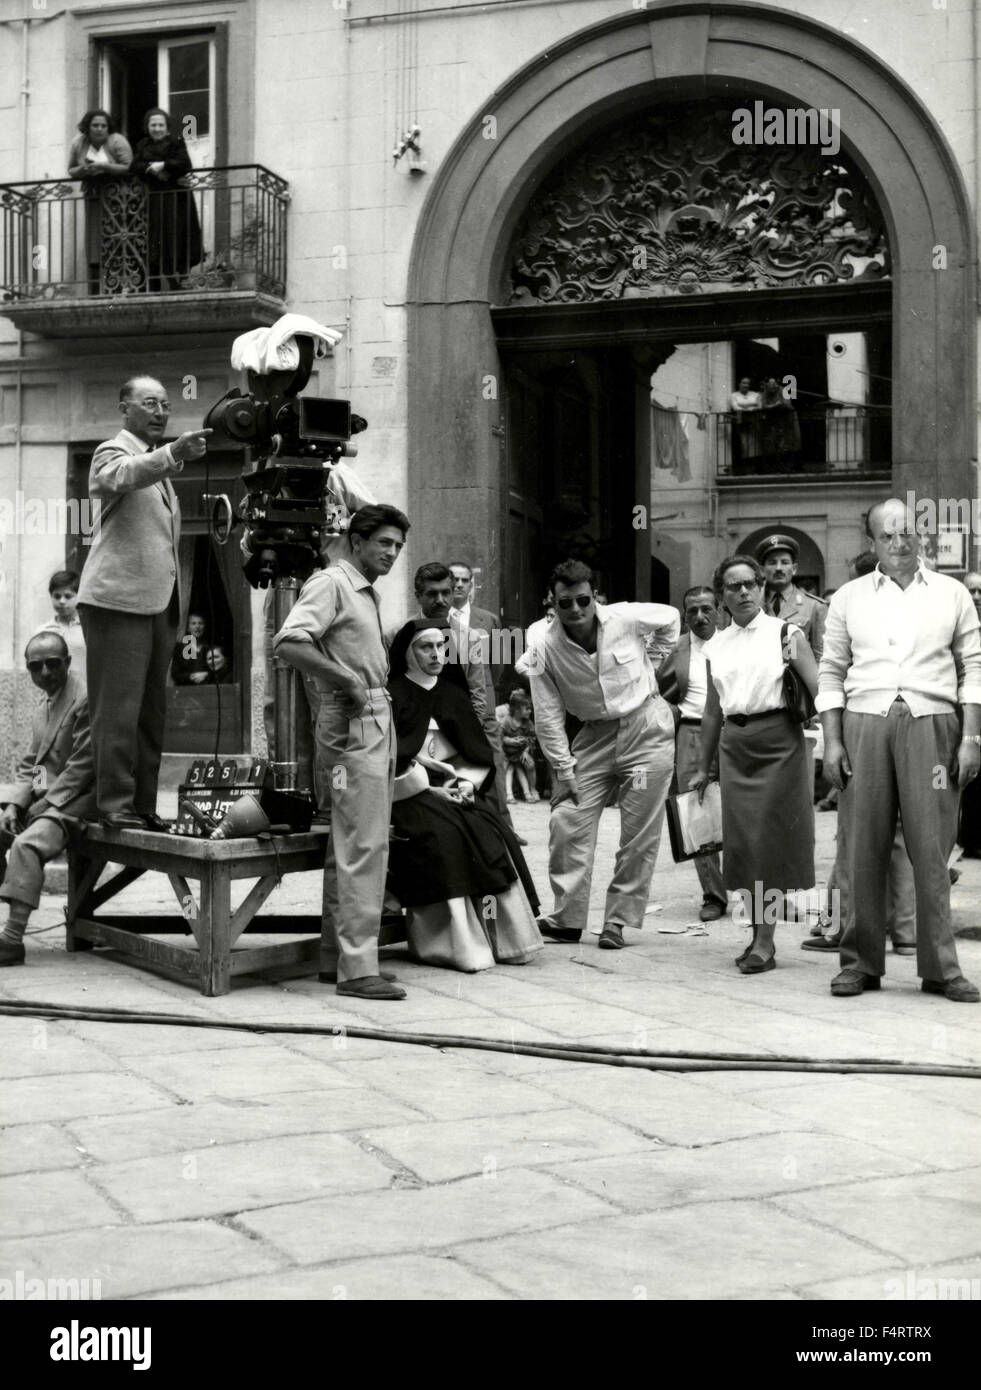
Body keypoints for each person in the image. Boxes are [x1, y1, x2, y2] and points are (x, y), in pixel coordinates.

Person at [818, 498, 981, 1003]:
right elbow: (831, 670)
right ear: (871, 542)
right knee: (861, 848)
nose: (899, 542)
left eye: (907, 531)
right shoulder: (849, 598)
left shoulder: (952, 593)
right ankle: (860, 964)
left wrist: (971, 739)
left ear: (921, 534)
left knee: (931, 849)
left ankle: (940, 968)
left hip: (933, 725)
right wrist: (832, 741)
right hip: (864, 723)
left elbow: (973, 667)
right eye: (887, 535)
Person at [274, 503, 410, 1001]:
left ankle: (339, 959)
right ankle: (357, 970)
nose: (392, 553)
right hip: (352, 717)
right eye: (384, 543)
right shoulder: (332, 583)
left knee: (350, 843)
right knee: (362, 844)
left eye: (398, 546)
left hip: (371, 714)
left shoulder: (364, 590)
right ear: (356, 541)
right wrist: (347, 680)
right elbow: (289, 642)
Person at [76, 376, 211, 830]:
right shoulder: (111, 452)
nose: (160, 412)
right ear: (124, 409)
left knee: (151, 712)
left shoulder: (157, 468)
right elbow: (119, 476)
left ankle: (144, 806)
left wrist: (168, 458)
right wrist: (173, 453)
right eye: (149, 403)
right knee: (117, 710)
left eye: (166, 405)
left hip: (156, 605)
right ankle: (115, 804)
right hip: (116, 602)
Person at [529, 559, 678, 949]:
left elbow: (671, 618)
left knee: (638, 831)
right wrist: (563, 769)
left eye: (583, 600)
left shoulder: (625, 618)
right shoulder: (541, 643)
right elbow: (547, 713)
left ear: (594, 596)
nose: (576, 610)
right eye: (565, 603)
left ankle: (618, 920)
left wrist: (653, 662)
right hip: (594, 737)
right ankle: (567, 918)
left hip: (645, 731)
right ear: (552, 602)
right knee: (568, 820)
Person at [386, 620, 542, 972]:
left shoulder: (453, 694)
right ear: (408, 652)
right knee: (443, 834)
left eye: (442, 646)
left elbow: (475, 753)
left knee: (489, 828)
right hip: (407, 792)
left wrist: (468, 784)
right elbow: (387, 760)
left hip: (455, 787)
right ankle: (457, 945)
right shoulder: (392, 694)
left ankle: (504, 939)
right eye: (426, 647)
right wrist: (427, 787)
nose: (436, 654)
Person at [691, 554, 818, 974]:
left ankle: (765, 941)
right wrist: (702, 766)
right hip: (735, 746)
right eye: (734, 586)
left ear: (762, 588)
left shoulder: (786, 633)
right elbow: (712, 711)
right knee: (743, 844)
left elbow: (819, 688)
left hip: (778, 743)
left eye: (750, 584)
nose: (743, 592)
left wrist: (836, 741)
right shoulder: (715, 645)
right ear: (722, 595)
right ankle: (758, 935)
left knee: (769, 842)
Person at [0, 633, 96, 965]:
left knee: (27, 844)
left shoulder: (84, 698)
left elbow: (84, 765)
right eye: (35, 666)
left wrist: (48, 803)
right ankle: (11, 906)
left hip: (81, 801)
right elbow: (36, 765)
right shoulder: (44, 706)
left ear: (67, 662)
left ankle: (12, 940)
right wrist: (17, 804)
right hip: (53, 799)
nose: (45, 673)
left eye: (53, 664)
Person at [657, 585, 727, 922]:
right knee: (697, 814)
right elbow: (659, 690)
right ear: (684, 615)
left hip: (734, 732)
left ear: (719, 610)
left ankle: (753, 891)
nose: (699, 617)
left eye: (706, 609)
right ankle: (714, 895)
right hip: (692, 733)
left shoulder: (734, 642)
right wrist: (671, 714)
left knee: (743, 810)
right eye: (692, 611)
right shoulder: (677, 649)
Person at [130, 108, 202, 291]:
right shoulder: (142, 145)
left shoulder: (176, 142)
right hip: (155, 200)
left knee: (179, 238)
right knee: (158, 242)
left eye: (160, 125)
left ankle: (182, 279)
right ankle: (166, 283)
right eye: (153, 125)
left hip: (178, 199)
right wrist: (152, 170)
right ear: (147, 127)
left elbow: (185, 164)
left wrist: (163, 165)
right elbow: (134, 166)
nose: (157, 128)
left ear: (167, 127)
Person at [67, 110, 133, 293]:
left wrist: (104, 166)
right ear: (87, 127)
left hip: (117, 195)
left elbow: (128, 166)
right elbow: (71, 170)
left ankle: (119, 287)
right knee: (94, 241)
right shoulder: (78, 143)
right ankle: (95, 289)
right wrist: (84, 169)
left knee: (117, 237)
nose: (99, 129)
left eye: (103, 125)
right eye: (95, 125)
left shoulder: (117, 140)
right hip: (93, 194)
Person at [756, 534, 827, 662]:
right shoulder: (754, 605)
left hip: (798, 674)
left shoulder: (814, 606)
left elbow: (820, 656)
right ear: (762, 570)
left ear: (794, 569)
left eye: (784, 562)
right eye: (772, 563)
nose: (778, 568)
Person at [959, 572, 981, 856]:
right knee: (950, 777)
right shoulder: (957, 625)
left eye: (980, 591)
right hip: (961, 711)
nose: (976, 596)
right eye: (971, 591)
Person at [34, 569, 86, 665]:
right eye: (57, 596)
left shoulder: (86, 629)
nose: (62, 601)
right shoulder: (43, 631)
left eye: (68, 596)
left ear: (78, 596)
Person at [498, 689, 539, 803]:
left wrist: (526, 751)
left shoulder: (528, 723)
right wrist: (509, 740)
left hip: (520, 752)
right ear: (517, 709)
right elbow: (499, 737)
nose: (530, 711)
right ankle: (510, 794)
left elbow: (532, 738)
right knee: (510, 768)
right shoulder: (506, 721)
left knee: (528, 764)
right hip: (507, 753)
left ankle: (530, 791)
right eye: (527, 708)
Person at [170, 613, 210, 685]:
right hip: (186, 687)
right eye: (193, 623)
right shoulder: (181, 648)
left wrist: (206, 674)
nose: (197, 626)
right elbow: (175, 674)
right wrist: (191, 677)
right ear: (188, 628)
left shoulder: (208, 649)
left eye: (200, 623)